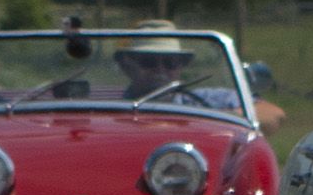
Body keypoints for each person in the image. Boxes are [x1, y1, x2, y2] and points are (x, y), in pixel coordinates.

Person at [115, 20, 286, 133]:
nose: (161, 70)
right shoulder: (112, 110)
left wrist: (211, 120)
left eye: (170, 62)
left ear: (181, 66)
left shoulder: (204, 101)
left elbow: (274, 115)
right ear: (127, 66)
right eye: (149, 61)